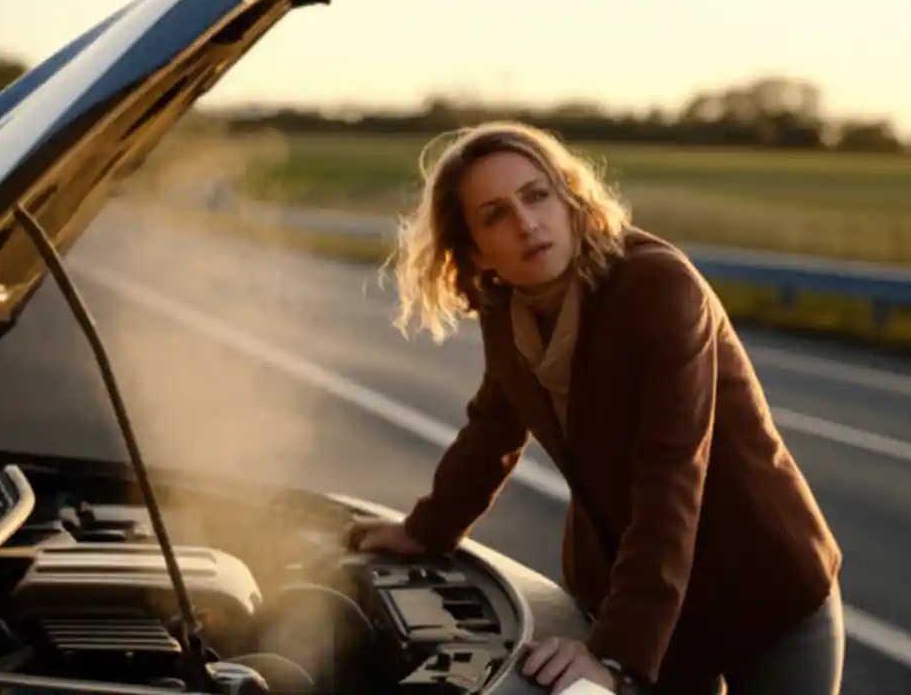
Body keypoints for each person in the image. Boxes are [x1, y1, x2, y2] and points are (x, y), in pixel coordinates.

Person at [345, 121, 844, 694]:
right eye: (496, 214)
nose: (527, 224)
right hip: (645, 597)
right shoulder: (505, 307)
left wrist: (616, 655)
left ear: (570, 198)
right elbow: (493, 429)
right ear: (475, 248)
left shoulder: (655, 286)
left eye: (537, 196)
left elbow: (671, 473)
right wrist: (425, 530)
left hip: (763, 587)